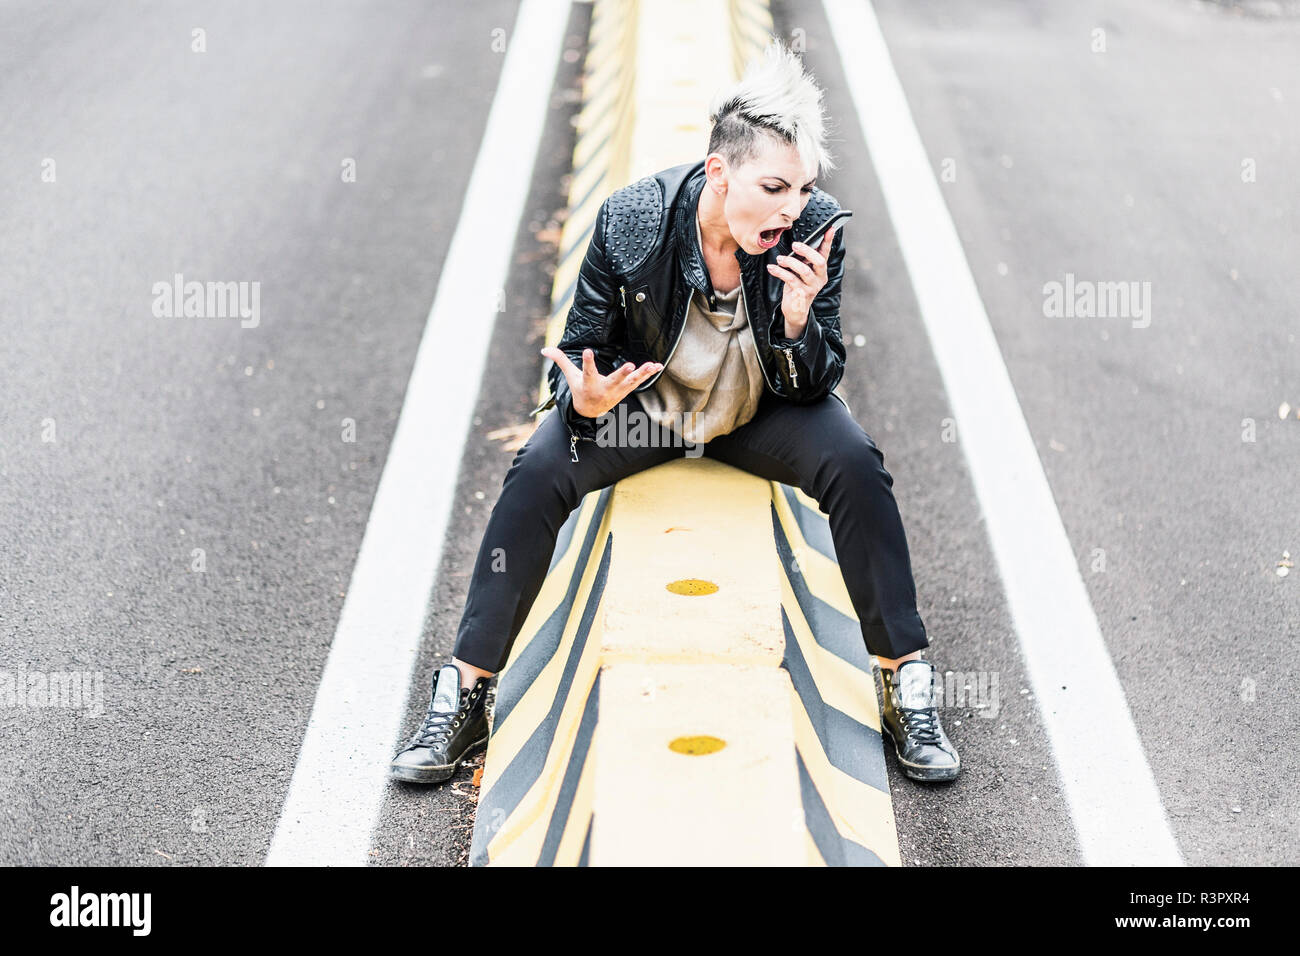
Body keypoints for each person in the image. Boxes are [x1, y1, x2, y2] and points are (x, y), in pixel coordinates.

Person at [390, 38, 960, 787]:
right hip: (647, 415)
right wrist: (583, 401)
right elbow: (579, 351)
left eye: (803, 188)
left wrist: (796, 322)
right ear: (719, 173)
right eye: (774, 187)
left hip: (758, 413)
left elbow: (817, 382)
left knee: (856, 463)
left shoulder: (815, 228)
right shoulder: (634, 220)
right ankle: (465, 692)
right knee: (538, 467)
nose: (792, 208)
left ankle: (903, 681)